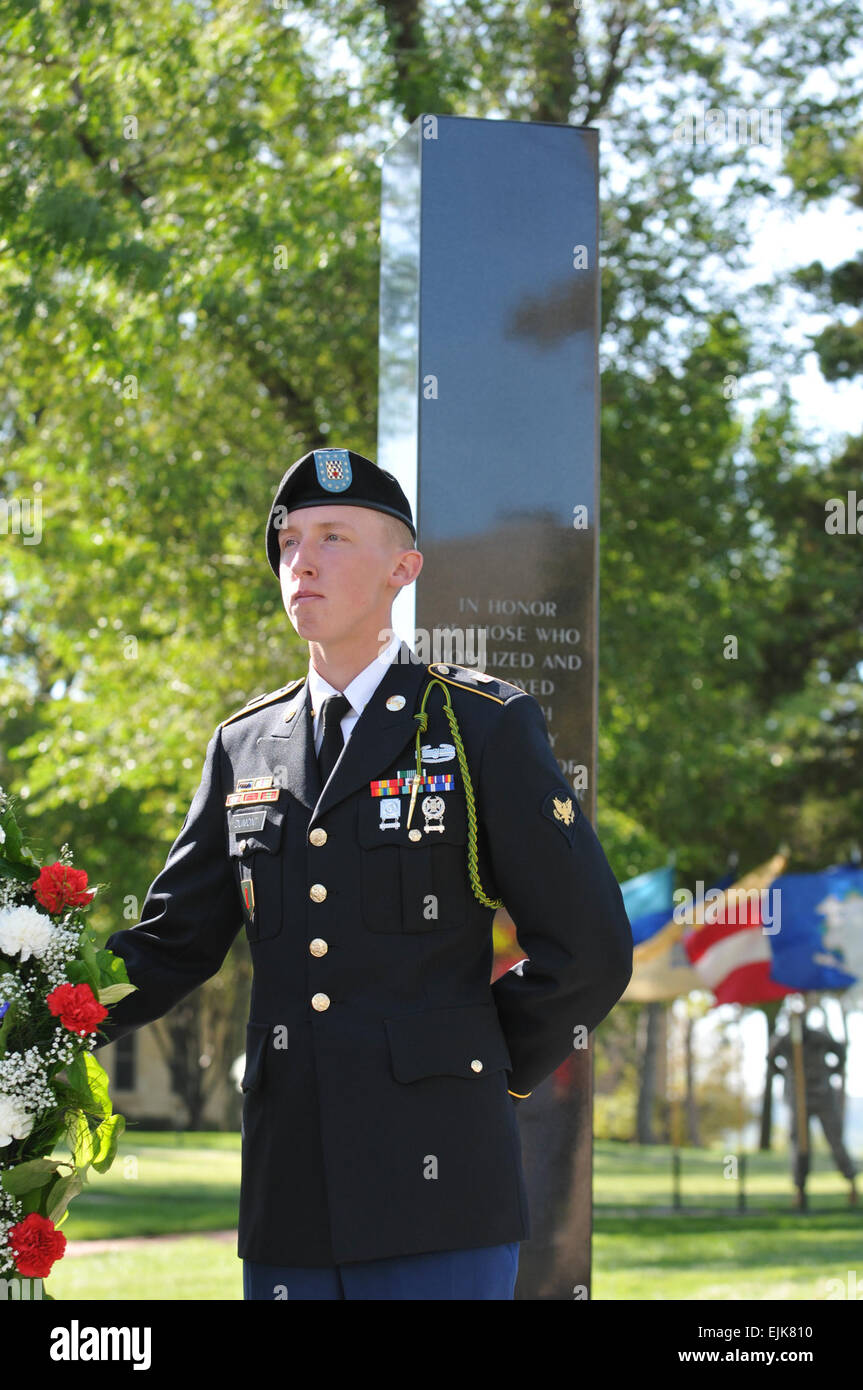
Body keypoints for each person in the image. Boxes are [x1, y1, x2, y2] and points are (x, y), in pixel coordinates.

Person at [96, 446, 633, 1300]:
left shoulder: (477, 725)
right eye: (289, 541)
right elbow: (171, 946)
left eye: (334, 537)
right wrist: (39, 1026)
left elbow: (591, 949)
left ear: (402, 568)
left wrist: (473, 1064)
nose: (300, 559)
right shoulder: (244, 744)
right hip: (289, 1194)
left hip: (440, 1189)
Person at [768, 1013, 858, 1210]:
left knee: (835, 1140)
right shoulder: (784, 1041)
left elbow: (840, 1052)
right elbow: (770, 1059)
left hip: (823, 1095)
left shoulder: (819, 1037)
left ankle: (851, 1182)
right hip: (798, 1098)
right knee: (800, 1143)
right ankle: (800, 1189)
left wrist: (831, 1071)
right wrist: (786, 1074)